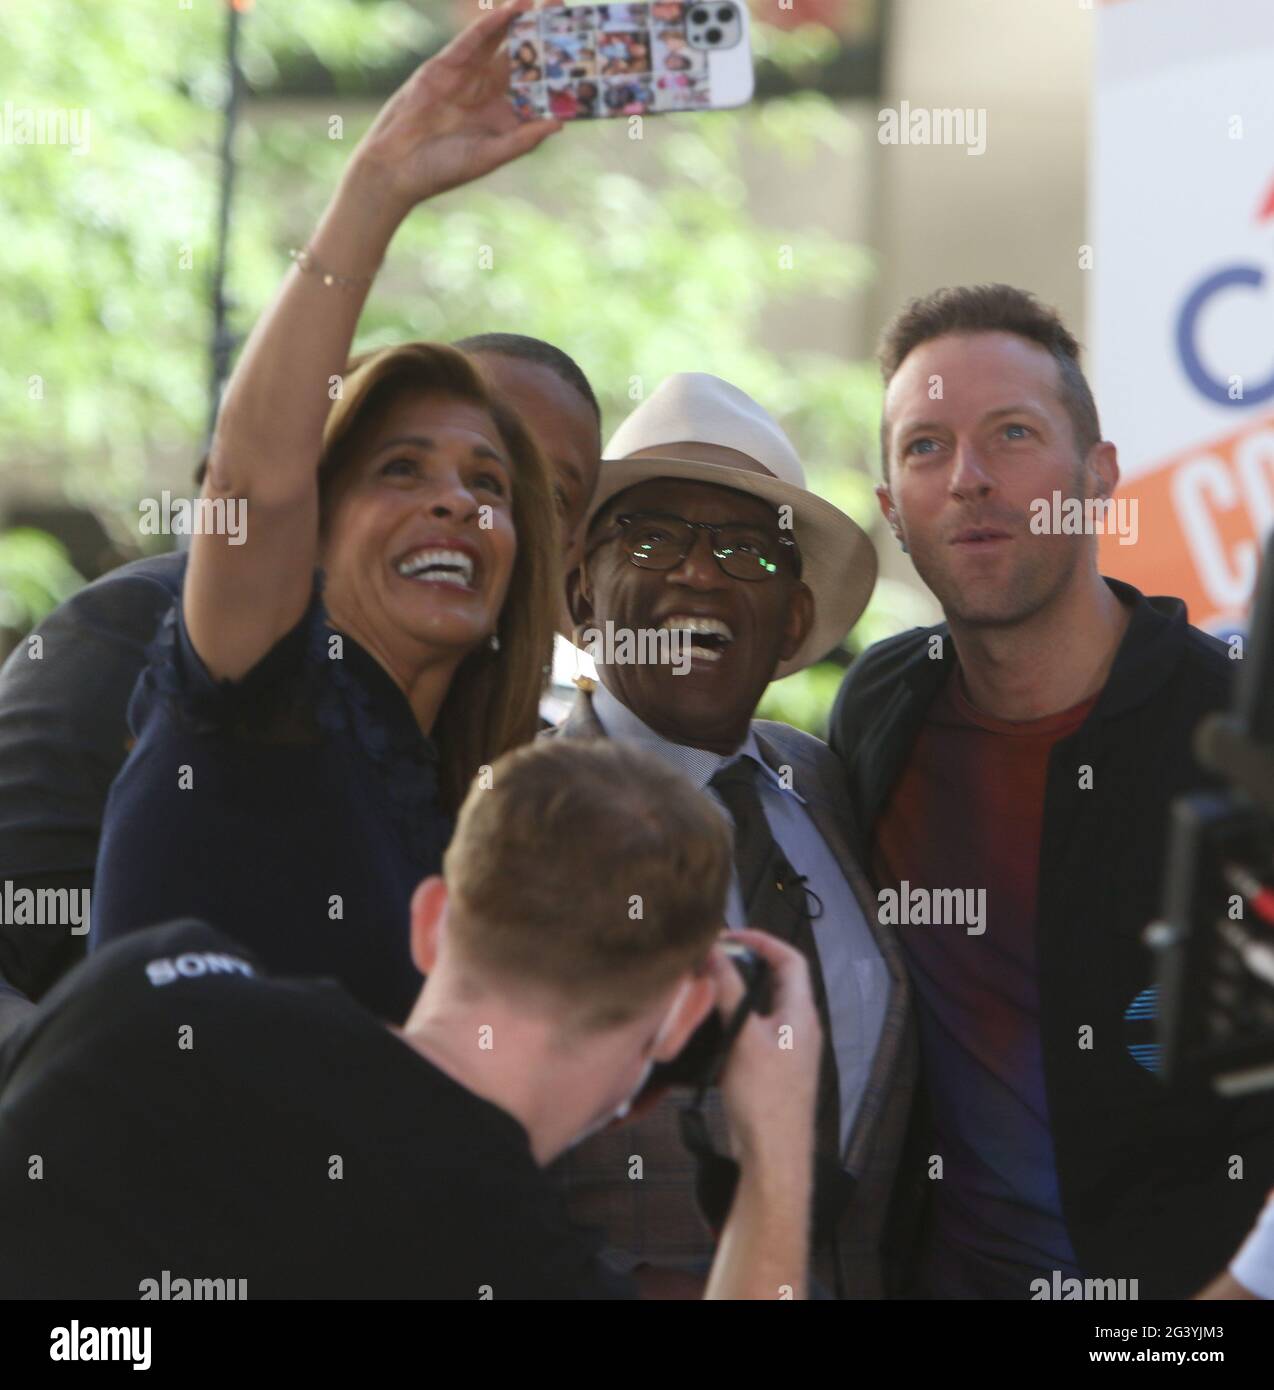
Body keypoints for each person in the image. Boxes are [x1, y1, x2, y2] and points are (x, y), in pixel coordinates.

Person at [0, 3, 600, 1017]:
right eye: (399, 470)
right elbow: (250, 486)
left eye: (490, 485)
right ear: (310, 533)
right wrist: (379, 185)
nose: (454, 502)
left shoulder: (473, 810)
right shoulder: (253, 701)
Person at [0, 740, 821, 1300]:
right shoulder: (524, 1268)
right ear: (680, 1020)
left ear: (430, 921)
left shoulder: (152, 983)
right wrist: (776, 1152)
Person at [828, 282, 1274, 1299]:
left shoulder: (1235, 736)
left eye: (1011, 433)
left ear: (1097, 472)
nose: (969, 479)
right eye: (925, 446)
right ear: (892, 508)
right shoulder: (876, 713)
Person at [548, 371, 916, 1298]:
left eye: (749, 552)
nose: (699, 572)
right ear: (581, 591)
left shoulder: (825, 785)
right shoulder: (521, 816)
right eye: (653, 534)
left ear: (792, 622)